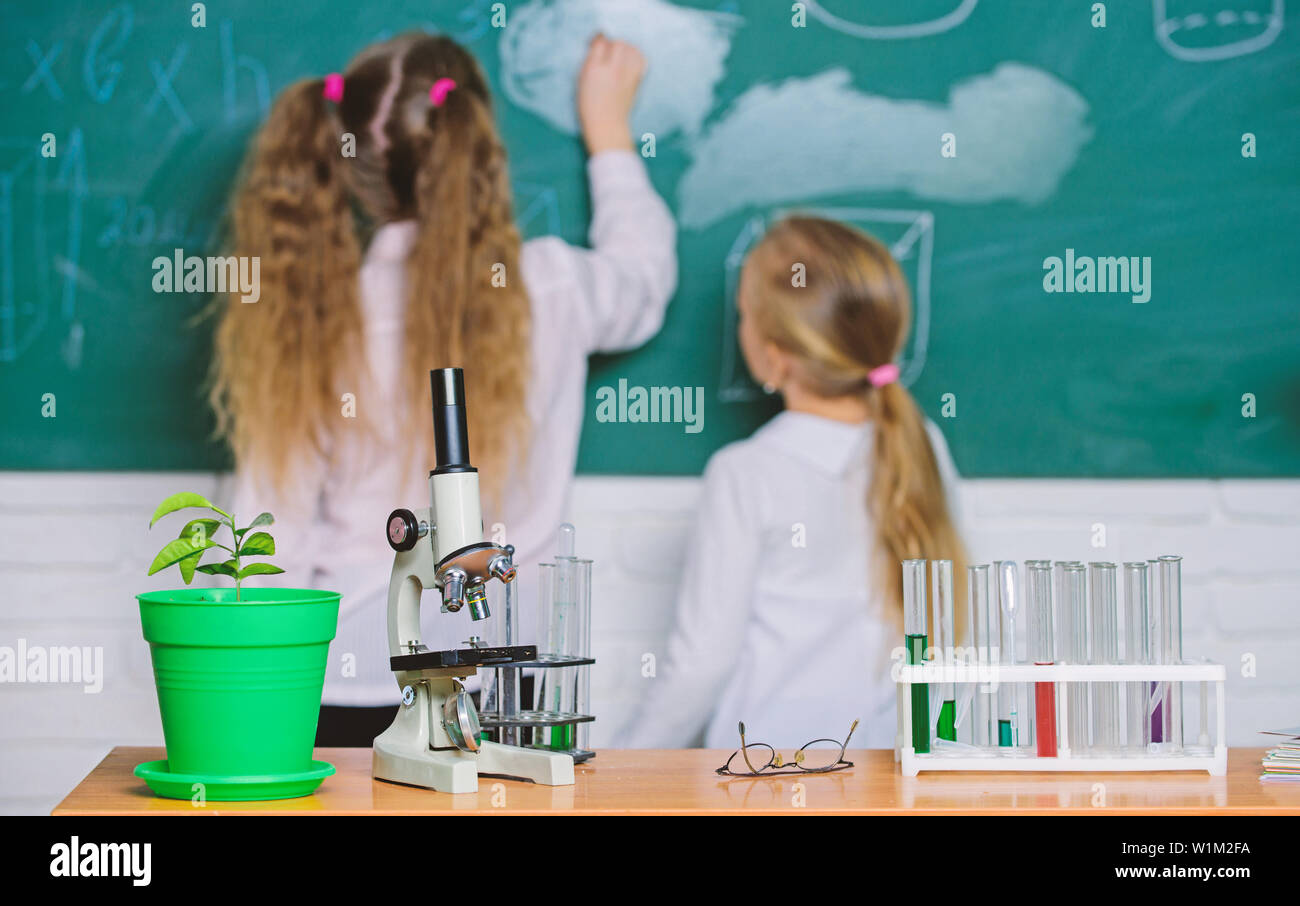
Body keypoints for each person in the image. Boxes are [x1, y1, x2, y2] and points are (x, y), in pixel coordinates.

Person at [209, 32, 676, 744]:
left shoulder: (313, 314)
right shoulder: (549, 285)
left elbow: (270, 536)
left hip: (342, 684)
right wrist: (610, 132)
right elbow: (643, 278)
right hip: (506, 688)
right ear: (479, 141)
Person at [618, 216, 965, 750]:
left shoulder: (745, 473)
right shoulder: (926, 447)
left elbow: (700, 666)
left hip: (763, 778)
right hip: (883, 777)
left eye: (744, 317)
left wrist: (616, 771)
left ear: (775, 357)